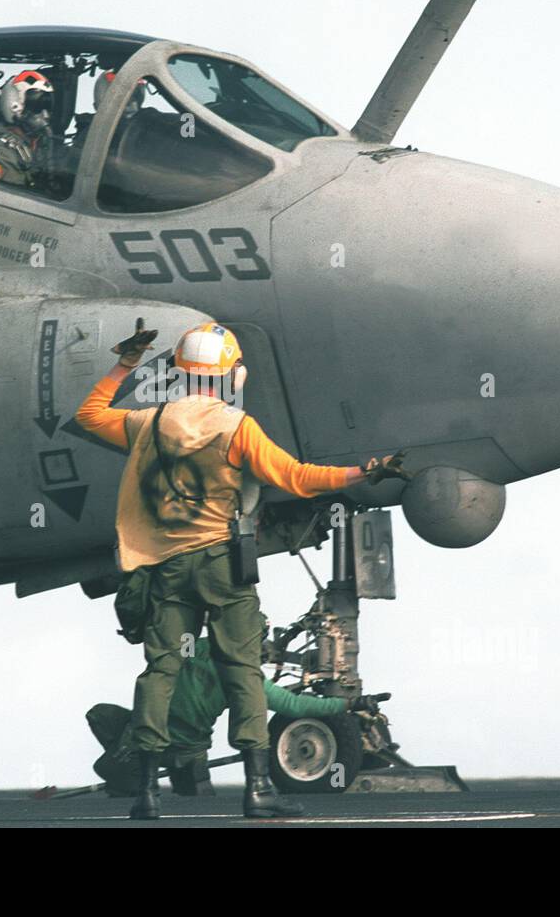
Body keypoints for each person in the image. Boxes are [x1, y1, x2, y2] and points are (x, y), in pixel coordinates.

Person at [74, 320, 404, 819]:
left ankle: (145, 794)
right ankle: (257, 790)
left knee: (161, 672)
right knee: (242, 671)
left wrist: (124, 363)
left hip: (164, 568)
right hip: (220, 565)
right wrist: (364, 472)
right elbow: (297, 478)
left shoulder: (148, 423)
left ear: (180, 373)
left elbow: (89, 415)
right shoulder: (235, 428)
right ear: (232, 377)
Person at [86, 634, 357, 798]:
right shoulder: (247, 679)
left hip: (147, 736)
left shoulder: (195, 645)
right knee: (201, 807)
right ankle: (133, 774)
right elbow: (294, 706)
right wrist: (344, 705)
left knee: (100, 714)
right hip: (188, 751)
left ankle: (132, 773)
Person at [0, 69, 58, 191]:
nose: (45, 115)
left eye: (47, 107)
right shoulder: (1, 152)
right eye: (37, 107)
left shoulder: (34, 144)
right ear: (14, 107)